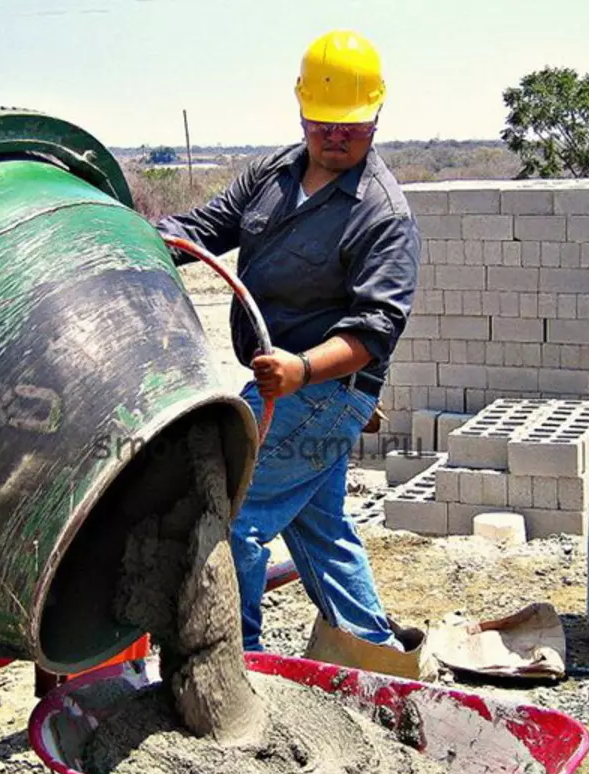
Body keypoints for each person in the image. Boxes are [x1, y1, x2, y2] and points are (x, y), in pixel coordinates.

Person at [157, 29, 425, 674]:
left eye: (351, 128)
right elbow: (203, 228)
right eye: (323, 124)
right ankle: (379, 663)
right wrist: (148, 237)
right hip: (282, 382)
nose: (336, 138)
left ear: (377, 116)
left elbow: (373, 332)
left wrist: (301, 368)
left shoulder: (382, 216)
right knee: (321, 531)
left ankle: (233, 672)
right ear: (303, 111)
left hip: (326, 392)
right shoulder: (274, 173)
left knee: (235, 520)